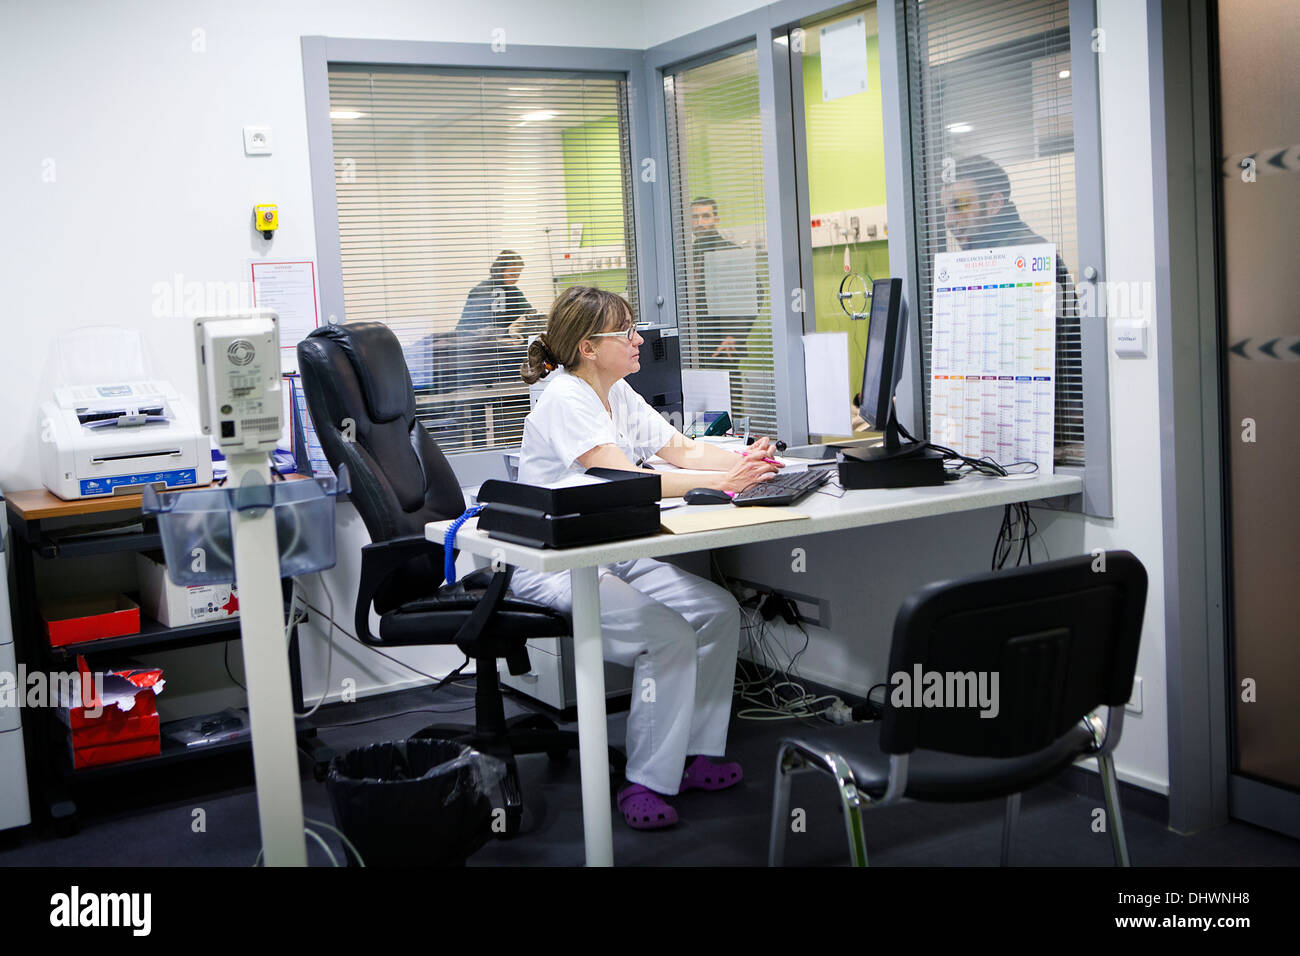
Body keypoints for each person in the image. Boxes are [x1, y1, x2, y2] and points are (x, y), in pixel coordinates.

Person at [514, 285, 783, 830]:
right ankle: (645, 781)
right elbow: (625, 478)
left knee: (715, 611)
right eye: (628, 332)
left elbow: (681, 450)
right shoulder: (565, 398)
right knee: (668, 636)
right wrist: (725, 482)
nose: (640, 340)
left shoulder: (616, 391)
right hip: (559, 561)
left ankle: (695, 754)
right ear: (589, 347)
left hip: (611, 549)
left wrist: (744, 460)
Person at [940, 156, 1081, 452]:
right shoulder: (983, 259)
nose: (949, 221)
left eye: (959, 206)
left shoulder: (1023, 259)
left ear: (994, 204)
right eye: (945, 210)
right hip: (1005, 434)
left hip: (1037, 438)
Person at [456, 250, 536, 337]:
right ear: (500, 271)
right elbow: (469, 325)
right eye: (512, 274)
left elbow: (529, 314)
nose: (516, 279)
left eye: (518, 274)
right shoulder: (481, 291)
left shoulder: (514, 291)